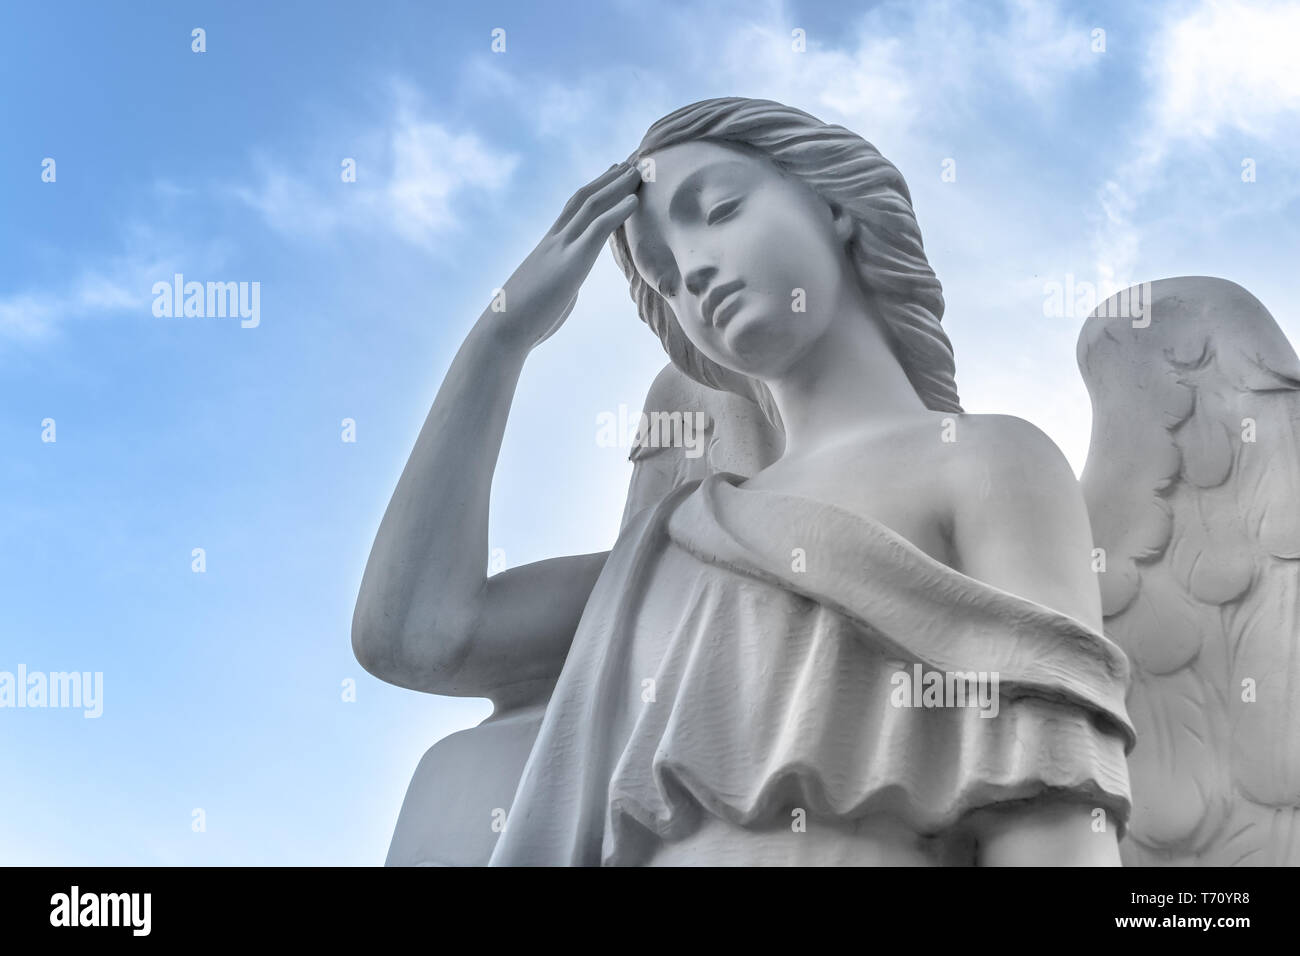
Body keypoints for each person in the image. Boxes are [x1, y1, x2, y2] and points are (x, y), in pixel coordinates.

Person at [356, 97, 1134, 866]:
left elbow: (1056, 795)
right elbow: (418, 636)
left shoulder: (984, 461)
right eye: (661, 278)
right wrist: (498, 340)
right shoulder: (676, 543)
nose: (691, 270)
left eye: (719, 209)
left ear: (833, 206)